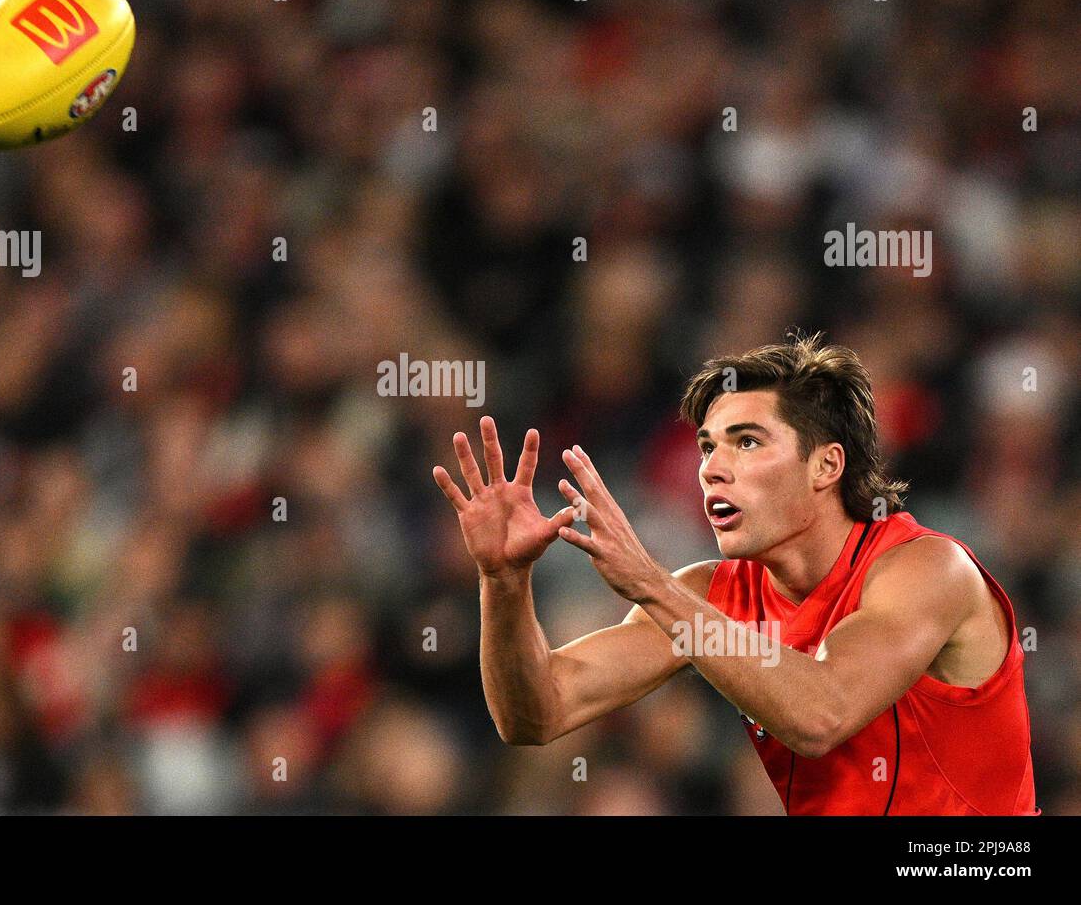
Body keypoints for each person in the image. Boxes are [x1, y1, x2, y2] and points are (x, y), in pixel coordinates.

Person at [432, 333, 1037, 815]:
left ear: (826, 465)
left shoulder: (931, 568)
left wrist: (652, 585)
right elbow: (536, 715)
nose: (712, 469)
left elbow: (822, 714)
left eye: (746, 442)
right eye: (706, 446)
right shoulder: (708, 594)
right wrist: (504, 583)